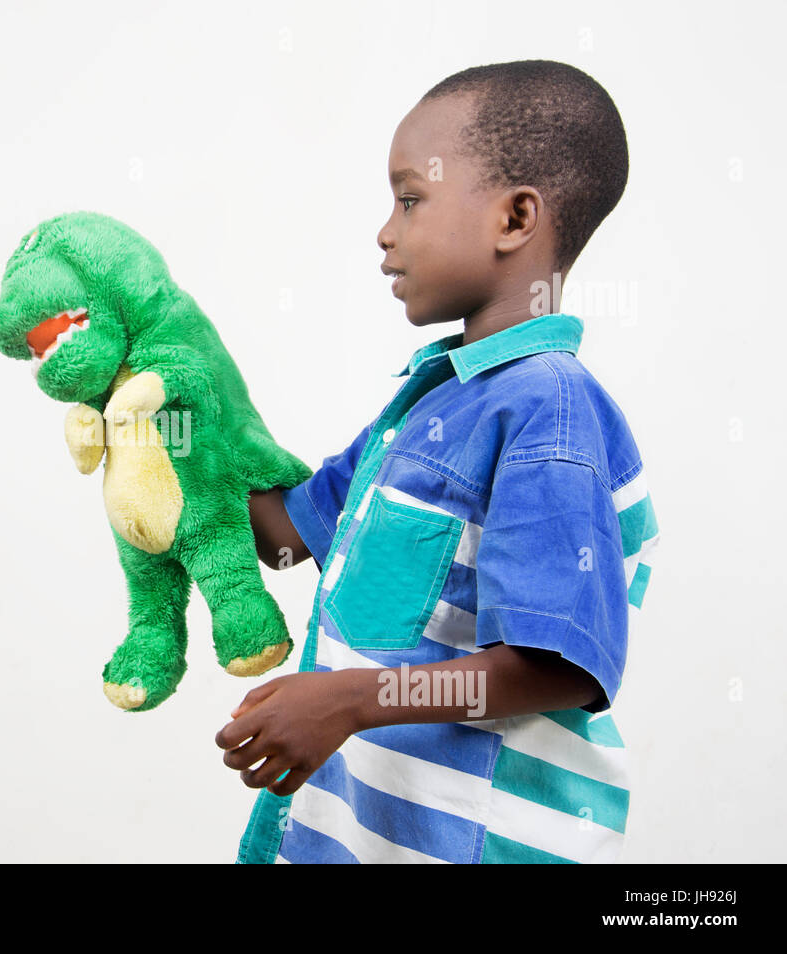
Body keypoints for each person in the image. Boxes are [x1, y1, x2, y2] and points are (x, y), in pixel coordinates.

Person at [219, 60, 660, 864]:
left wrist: (352, 700)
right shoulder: (428, 405)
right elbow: (284, 536)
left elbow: (555, 666)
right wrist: (164, 416)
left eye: (410, 200)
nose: (386, 232)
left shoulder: (550, 409)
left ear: (515, 217)